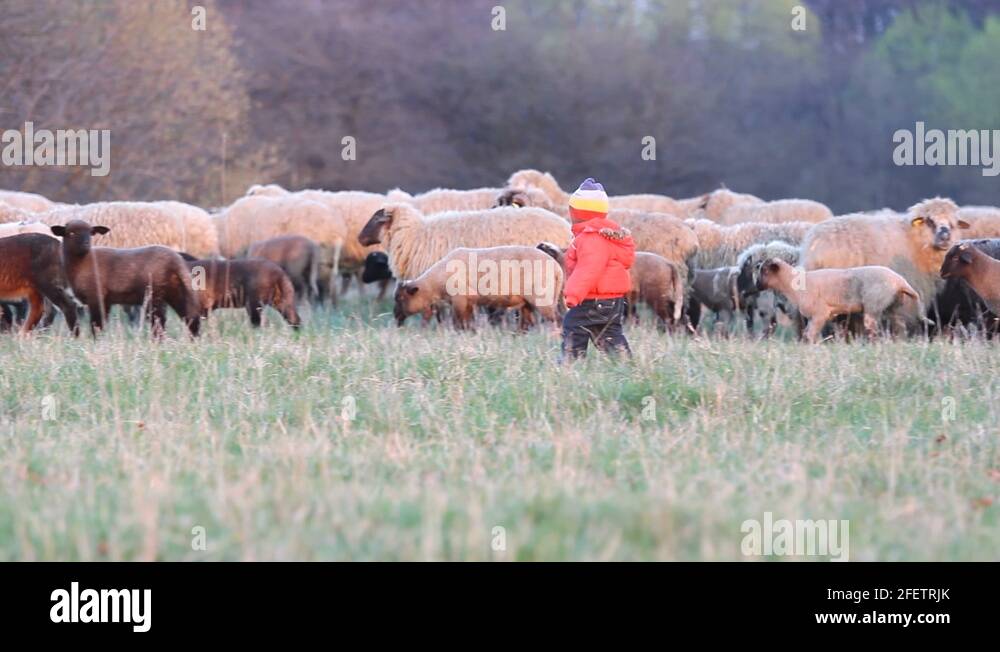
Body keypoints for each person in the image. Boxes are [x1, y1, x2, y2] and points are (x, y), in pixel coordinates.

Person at [560, 177, 635, 359]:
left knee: (573, 326)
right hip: (613, 300)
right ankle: (624, 364)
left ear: (579, 213)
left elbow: (589, 269)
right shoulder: (604, 236)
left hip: (593, 299)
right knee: (609, 334)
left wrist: (573, 294)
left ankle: (571, 363)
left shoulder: (591, 238)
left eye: (572, 210)